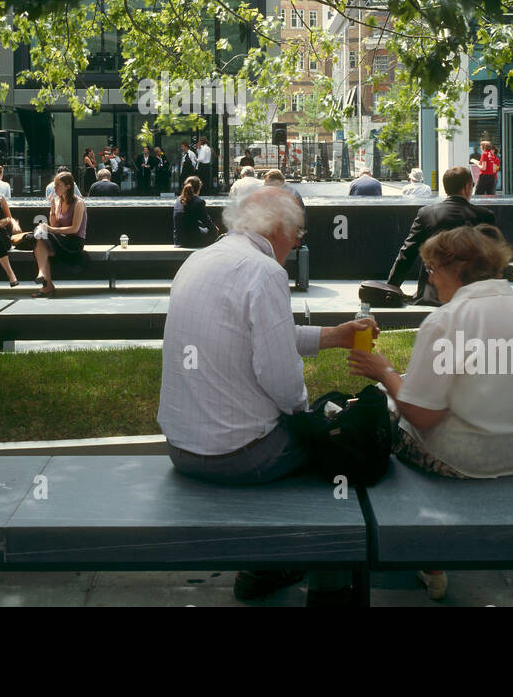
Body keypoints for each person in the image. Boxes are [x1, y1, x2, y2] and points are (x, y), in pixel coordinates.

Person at [159, 187, 376, 605]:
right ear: (277, 226)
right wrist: (316, 421)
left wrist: (335, 336)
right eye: (298, 232)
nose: (297, 242)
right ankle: (325, 587)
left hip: (182, 447)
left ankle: (269, 565)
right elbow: (284, 383)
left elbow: (255, 334)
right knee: (340, 454)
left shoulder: (199, 260)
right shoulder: (265, 272)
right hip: (237, 454)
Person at [348, 224, 513, 601]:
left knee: (370, 419)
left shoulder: (446, 319)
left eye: (429, 268)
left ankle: (420, 552)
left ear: (454, 269)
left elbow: (422, 415)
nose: (428, 278)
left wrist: (384, 372)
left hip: (461, 459)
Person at [385, 166, 496, 304]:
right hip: (471, 294)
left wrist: (390, 289)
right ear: (467, 187)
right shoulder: (484, 216)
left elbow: (407, 253)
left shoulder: (426, 213)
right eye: (472, 185)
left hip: (431, 294)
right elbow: (493, 259)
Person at [32, 173, 87, 297]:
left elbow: (75, 229)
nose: (55, 188)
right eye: (54, 185)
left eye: (58, 185)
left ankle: (46, 283)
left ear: (68, 186)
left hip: (74, 242)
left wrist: (50, 229)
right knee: (39, 237)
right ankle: (45, 279)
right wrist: (52, 208)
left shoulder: (79, 203)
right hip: (61, 239)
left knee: (41, 238)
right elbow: (55, 225)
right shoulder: (59, 202)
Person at [173, 175, 222, 247]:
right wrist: (215, 230)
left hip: (178, 240)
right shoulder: (198, 202)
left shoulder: (178, 200)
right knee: (211, 232)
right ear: (199, 188)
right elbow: (207, 221)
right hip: (192, 240)